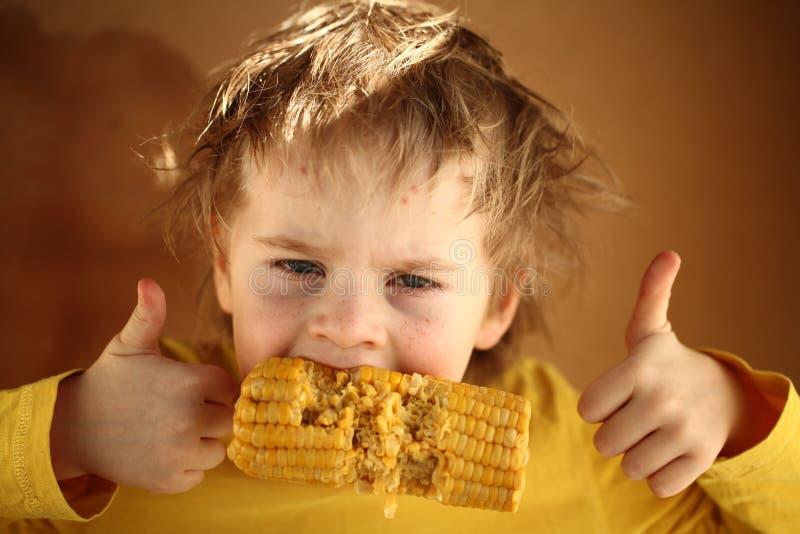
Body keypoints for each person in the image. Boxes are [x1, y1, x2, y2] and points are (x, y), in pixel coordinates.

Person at [1, 0, 797, 531]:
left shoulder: (583, 454)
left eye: (412, 281)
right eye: (298, 268)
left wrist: (734, 419)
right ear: (222, 264)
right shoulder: (123, 444)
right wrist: (67, 435)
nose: (347, 329)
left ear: (497, 302)